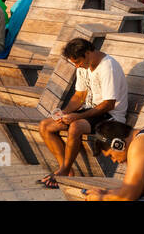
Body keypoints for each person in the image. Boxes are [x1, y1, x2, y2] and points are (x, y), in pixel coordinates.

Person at [36, 37, 129, 189]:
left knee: (76, 126)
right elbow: (79, 96)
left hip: (111, 115)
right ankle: (66, 170)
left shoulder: (108, 67)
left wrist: (78, 116)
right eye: (74, 63)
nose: (77, 66)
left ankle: (63, 171)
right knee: (45, 126)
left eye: (78, 62)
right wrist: (64, 112)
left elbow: (109, 104)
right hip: (91, 111)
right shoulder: (83, 67)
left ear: (87, 53)